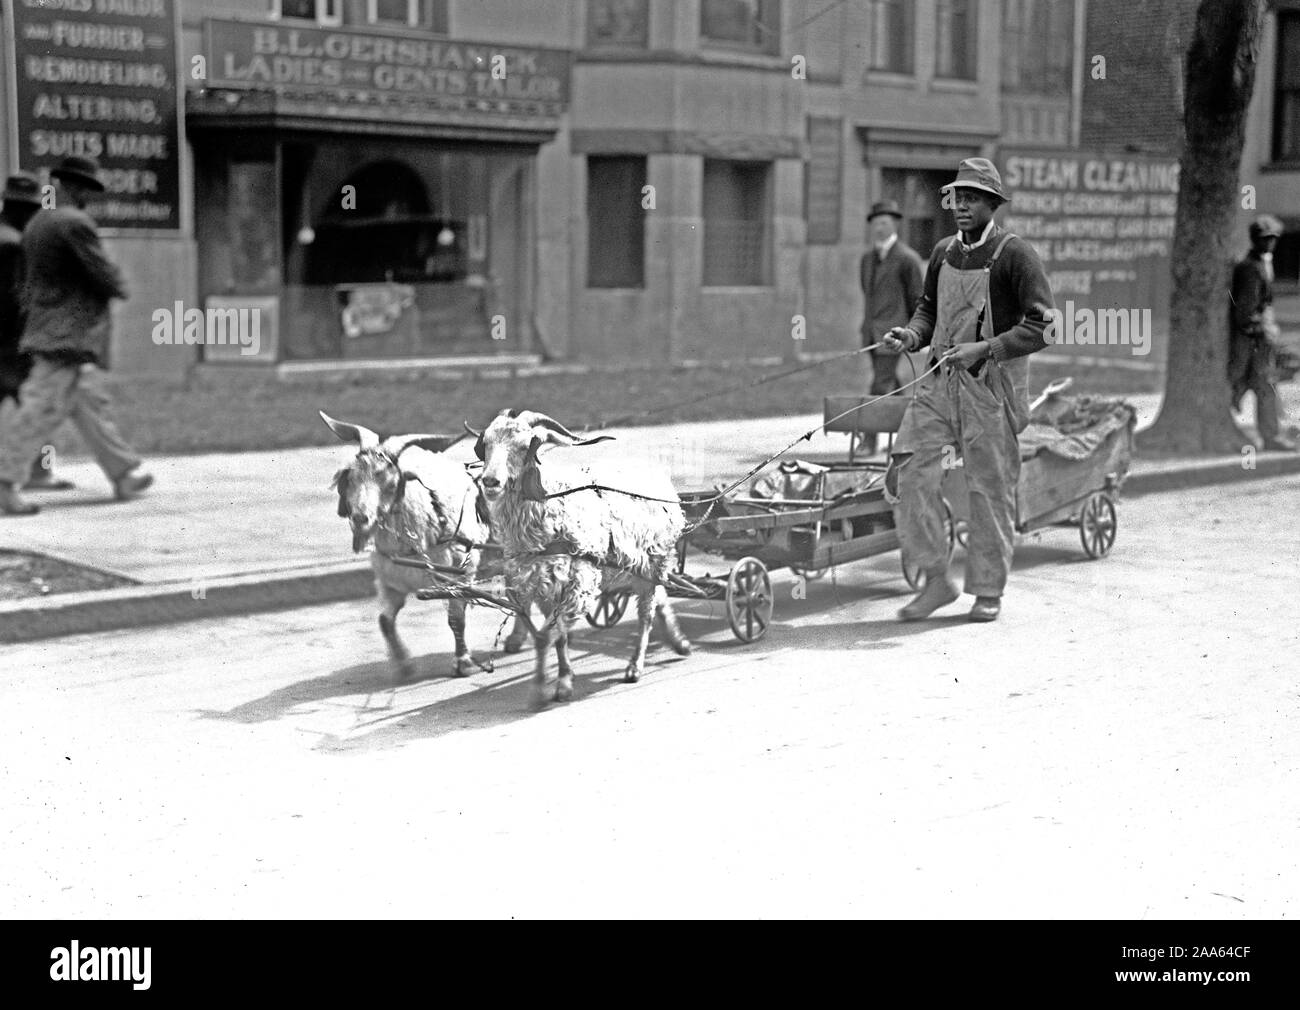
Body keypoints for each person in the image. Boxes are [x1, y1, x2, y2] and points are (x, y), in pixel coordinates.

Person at [881, 157, 1055, 623]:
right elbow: (928, 309)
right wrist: (912, 336)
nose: (961, 205)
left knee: (988, 489)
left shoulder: (1016, 255)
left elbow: (1043, 326)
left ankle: (987, 589)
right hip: (939, 384)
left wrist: (986, 348)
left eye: (972, 198)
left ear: (992, 204)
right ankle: (937, 579)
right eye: (958, 197)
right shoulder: (942, 253)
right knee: (908, 472)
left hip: (990, 392)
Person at [0, 156, 153, 516]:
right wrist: (119, 286)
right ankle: (5, 483)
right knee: (40, 406)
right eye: (85, 187)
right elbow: (101, 272)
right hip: (66, 333)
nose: (88, 194)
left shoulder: (40, 221)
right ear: (75, 187)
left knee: (87, 402)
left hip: (51, 329)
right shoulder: (72, 222)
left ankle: (123, 472)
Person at [0, 172, 75, 492]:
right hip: (13, 339)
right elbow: (18, 297)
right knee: (38, 404)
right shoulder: (14, 245)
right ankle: (38, 471)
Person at [1229, 214, 1296, 452]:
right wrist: (1260, 333)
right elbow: (1246, 311)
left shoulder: (1262, 264)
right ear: (1255, 240)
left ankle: (1273, 433)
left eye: (1272, 239)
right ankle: (1271, 435)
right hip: (1251, 340)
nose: (1269, 243)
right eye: (1264, 238)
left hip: (1258, 337)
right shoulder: (1251, 268)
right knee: (1251, 383)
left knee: (1258, 384)